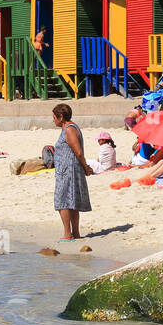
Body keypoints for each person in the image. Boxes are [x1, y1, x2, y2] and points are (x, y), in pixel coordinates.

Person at [51, 103, 91, 241]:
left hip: (68, 171)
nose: (53, 120)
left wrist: (86, 167)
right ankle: (75, 233)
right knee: (72, 200)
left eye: (54, 117)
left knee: (62, 201)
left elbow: (78, 152)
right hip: (68, 169)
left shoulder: (69, 130)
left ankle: (68, 234)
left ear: (61, 117)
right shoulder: (70, 128)